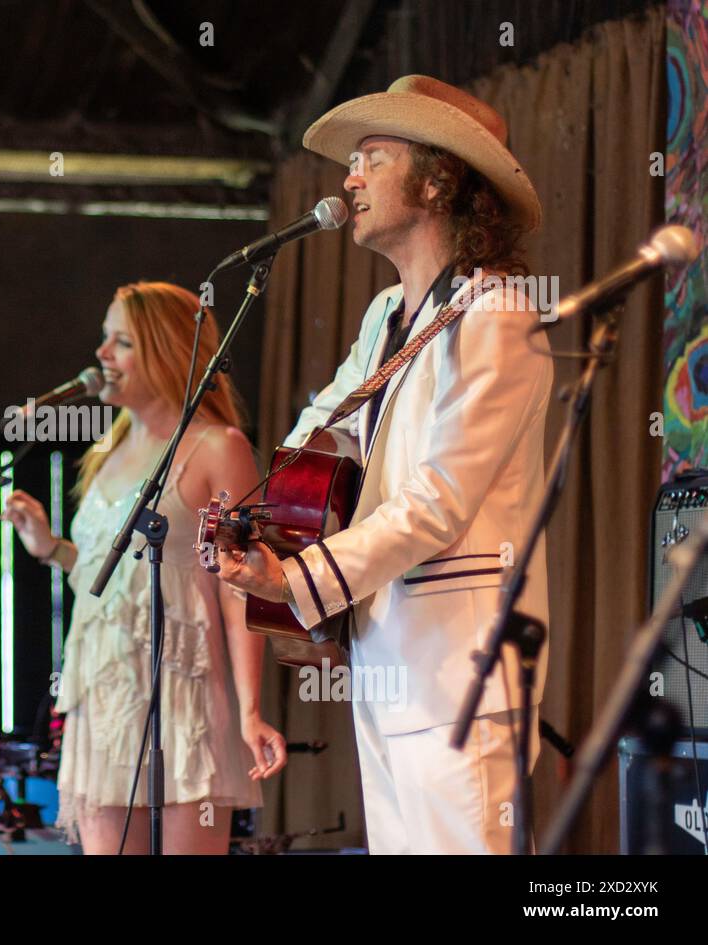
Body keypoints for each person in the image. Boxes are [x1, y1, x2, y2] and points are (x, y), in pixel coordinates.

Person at [217, 75, 553, 854]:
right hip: (389, 664)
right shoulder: (385, 318)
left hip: (458, 676)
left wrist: (296, 579)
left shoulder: (498, 313)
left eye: (372, 157)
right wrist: (257, 519)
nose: (350, 178)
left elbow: (439, 499)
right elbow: (320, 432)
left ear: (436, 179)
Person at [2, 280, 287, 854]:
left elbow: (239, 586)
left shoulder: (218, 446)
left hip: (182, 698)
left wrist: (251, 710)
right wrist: (52, 549)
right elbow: (117, 582)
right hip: (102, 702)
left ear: (167, 353)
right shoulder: (108, 451)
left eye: (122, 342)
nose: (102, 355)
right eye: (105, 339)